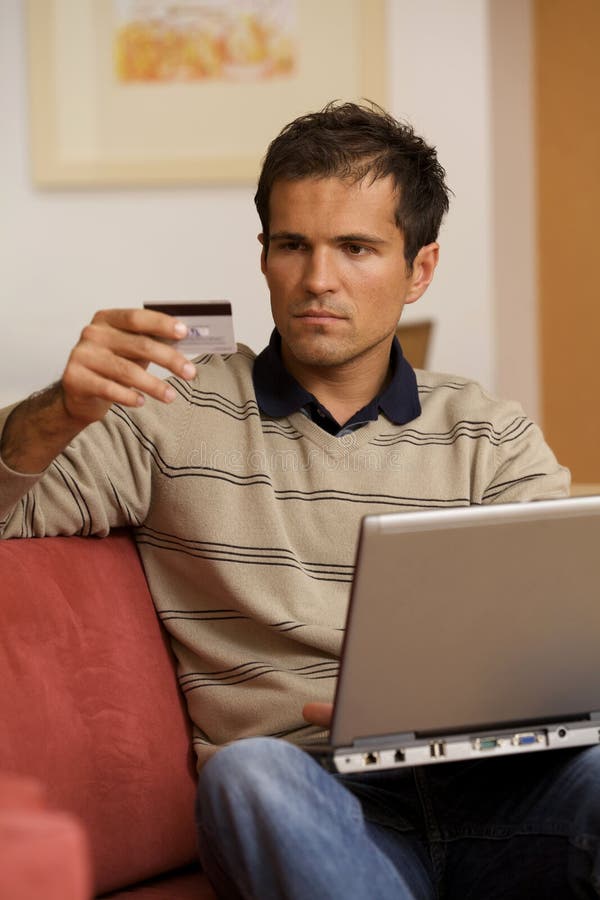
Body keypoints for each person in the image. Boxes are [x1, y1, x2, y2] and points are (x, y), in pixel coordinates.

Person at [1, 101, 598, 899]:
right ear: (263, 256)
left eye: (357, 248)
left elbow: (564, 638)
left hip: (501, 797)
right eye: (294, 246)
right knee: (249, 776)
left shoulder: (489, 434)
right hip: (310, 797)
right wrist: (55, 415)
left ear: (418, 269)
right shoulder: (166, 408)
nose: (319, 280)